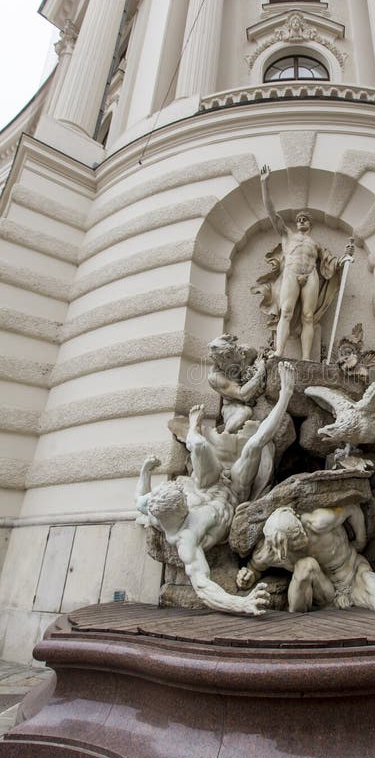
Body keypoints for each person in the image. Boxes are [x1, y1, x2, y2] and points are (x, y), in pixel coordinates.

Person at [135, 361, 296, 616]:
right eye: (181, 501)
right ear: (178, 512)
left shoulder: (155, 508)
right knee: (254, 446)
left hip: (208, 484)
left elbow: (139, 498)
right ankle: (286, 394)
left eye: (179, 494)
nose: (182, 497)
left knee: (198, 446)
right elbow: (203, 587)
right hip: (235, 494)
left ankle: (193, 431)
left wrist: (145, 471)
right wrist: (240, 604)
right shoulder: (186, 539)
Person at [236, 503, 375, 616]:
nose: (299, 544)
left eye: (297, 537)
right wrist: (247, 575)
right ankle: (295, 622)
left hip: (353, 576)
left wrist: (360, 540)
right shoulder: (274, 550)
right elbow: (254, 568)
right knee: (305, 565)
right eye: (291, 544)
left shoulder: (320, 521)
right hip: (326, 593)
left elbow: (352, 509)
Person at [253, 164, 353, 360]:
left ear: (310, 223)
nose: (300, 221)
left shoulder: (316, 245)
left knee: (308, 317)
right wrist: (264, 184)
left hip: (311, 276)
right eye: (298, 219)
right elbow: (272, 213)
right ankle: (279, 351)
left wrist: (346, 256)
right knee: (287, 312)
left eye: (304, 219)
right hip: (291, 272)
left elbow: (332, 266)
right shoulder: (287, 235)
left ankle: (306, 358)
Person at [207, 334, 266, 433]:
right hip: (233, 406)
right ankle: (223, 439)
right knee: (244, 412)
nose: (240, 351)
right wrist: (260, 372)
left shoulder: (247, 351)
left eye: (237, 348)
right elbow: (243, 395)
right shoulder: (216, 377)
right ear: (227, 358)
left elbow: (260, 358)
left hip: (257, 397)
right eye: (236, 352)